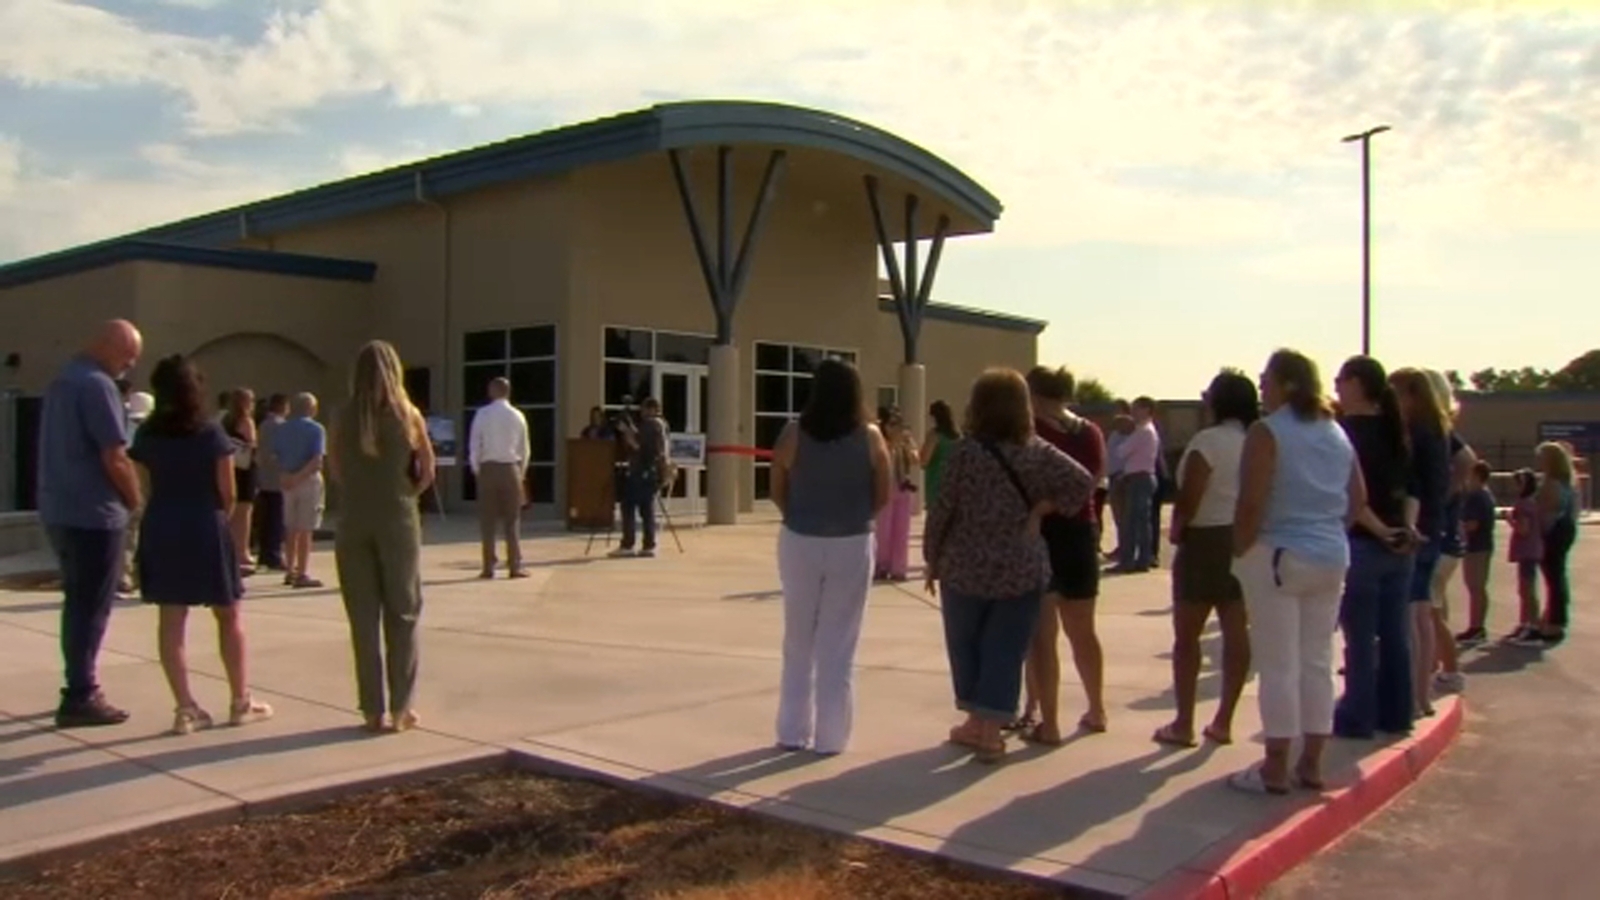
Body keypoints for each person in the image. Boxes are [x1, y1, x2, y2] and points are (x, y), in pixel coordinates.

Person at [924, 369, 1095, 764]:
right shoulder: (1036, 451)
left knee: (966, 646)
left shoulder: (963, 453)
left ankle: (977, 722)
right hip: (1021, 565)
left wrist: (932, 558)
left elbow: (942, 508)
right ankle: (989, 730)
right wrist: (1043, 508)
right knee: (1006, 648)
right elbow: (1083, 482)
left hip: (965, 565)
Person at [1229, 349, 1364, 794]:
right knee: (1317, 661)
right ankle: (1312, 762)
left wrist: (1240, 547)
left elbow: (1252, 500)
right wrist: (1328, 529)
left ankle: (1274, 765)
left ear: (1287, 384)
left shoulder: (1268, 431)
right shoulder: (1335, 431)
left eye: (1266, 379)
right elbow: (1358, 498)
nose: (1261, 386)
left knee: (1278, 664)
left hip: (1281, 553)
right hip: (1331, 554)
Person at [132, 356, 273, 734]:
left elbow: (143, 488)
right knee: (228, 614)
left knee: (171, 620)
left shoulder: (146, 436)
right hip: (205, 522)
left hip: (162, 524)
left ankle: (185, 707)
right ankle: (240, 700)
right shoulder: (210, 433)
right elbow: (228, 492)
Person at [769, 358, 891, 755]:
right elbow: (883, 493)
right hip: (852, 541)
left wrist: (797, 515)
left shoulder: (793, 433)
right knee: (838, 643)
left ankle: (791, 731)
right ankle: (831, 737)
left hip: (800, 539)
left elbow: (776, 487)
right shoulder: (871, 437)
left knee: (797, 638)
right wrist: (855, 517)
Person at [38, 319, 144, 727]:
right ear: (108, 344)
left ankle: (79, 682)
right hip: (94, 514)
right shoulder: (98, 386)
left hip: (59, 508)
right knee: (92, 607)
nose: (130, 364)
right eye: (128, 355)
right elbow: (115, 456)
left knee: (78, 603)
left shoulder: (63, 380)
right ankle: (81, 693)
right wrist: (135, 500)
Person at [330, 340, 435, 732]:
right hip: (397, 516)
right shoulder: (408, 415)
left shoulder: (340, 416)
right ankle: (401, 706)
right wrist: (406, 493)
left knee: (362, 617)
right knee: (403, 612)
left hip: (353, 518)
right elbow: (427, 471)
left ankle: (371, 709)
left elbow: (336, 470)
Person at [1155, 369, 1258, 748]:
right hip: (1242, 536)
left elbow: (1191, 494)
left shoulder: (1207, 442)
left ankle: (1183, 722)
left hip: (1204, 538)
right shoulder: (1255, 442)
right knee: (1235, 631)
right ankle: (1223, 720)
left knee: (1187, 637)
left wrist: (1178, 527)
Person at [1018, 365, 1109, 743]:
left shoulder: (1032, 433)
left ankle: (1046, 718)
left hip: (1043, 533)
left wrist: (1043, 507)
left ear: (1034, 395)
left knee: (1042, 636)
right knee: (1083, 630)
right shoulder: (1090, 431)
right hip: (1081, 531)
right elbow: (1096, 477)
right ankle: (1096, 707)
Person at [1331, 356, 1416, 739]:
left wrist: (1381, 531)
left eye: (1341, 380)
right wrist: (1404, 528)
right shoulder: (1396, 432)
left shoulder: (1344, 434)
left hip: (1364, 543)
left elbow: (1352, 497)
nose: (1336, 387)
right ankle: (1398, 713)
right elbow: (1411, 487)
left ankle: (1358, 715)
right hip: (1401, 544)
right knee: (1395, 636)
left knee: (1361, 640)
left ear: (1357, 384)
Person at [1388, 368, 1452, 718]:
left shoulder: (1414, 435)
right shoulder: (1440, 432)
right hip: (1434, 527)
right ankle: (1423, 694)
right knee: (1423, 614)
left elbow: (1412, 485)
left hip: (1416, 531)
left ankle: (1413, 695)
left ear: (1410, 395)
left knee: (1411, 617)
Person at [1514, 442, 1579, 646]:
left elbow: (1541, 511)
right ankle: (1551, 618)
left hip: (1554, 532)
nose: (1538, 462)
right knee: (1557, 576)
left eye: (1541, 457)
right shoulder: (1567, 482)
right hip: (1564, 529)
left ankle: (1555, 623)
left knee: (1554, 577)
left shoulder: (1551, 483)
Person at [467, 376, 530, 579]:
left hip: (488, 468)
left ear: (491, 391)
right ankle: (514, 565)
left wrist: (477, 469)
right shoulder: (518, 416)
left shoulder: (482, 414)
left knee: (488, 520)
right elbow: (524, 448)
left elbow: (474, 444)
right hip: (511, 468)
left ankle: (488, 566)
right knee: (512, 520)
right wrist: (520, 473)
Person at [273, 392, 327, 589]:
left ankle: (290, 570)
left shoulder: (281, 429)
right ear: (312, 408)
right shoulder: (316, 429)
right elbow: (317, 459)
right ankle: (302, 572)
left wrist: (285, 475)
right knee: (306, 528)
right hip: (308, 480)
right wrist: (299, 477)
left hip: (287, 480)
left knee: (291, 527)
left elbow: (274, 456)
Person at [612, 397, 668, 557]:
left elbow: (639, 446)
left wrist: (627, 432)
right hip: (651, 471)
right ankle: (649, 544)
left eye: (644, 409)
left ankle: (628, 544)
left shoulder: (650, 425)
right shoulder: (661, 425)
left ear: (651, 409)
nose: (642, 412)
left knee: (628, 506)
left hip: (641, 471)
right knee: (646, 508)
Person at [1109, 396, 1159, 574]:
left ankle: (1128, 560)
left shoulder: (1142, 431)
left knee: (1131, 522)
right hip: (1140, 478)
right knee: (1141, 522)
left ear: (1147, 410)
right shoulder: (1147, 430)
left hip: (1139, 479)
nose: (1133, 412)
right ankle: (1142, 559)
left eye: (1137, 408)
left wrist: (1124, 432)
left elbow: (1121, 451)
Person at [1454, 460, 1497, 647]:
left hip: (1476, 547)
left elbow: (1472, 524)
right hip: (1483, 546)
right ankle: (1477, 625)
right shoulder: (1485, 495)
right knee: (1478, 587)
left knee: (1475, 587)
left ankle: (1476, 626)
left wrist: (1458, 528)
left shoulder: (1477, 497)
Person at [873, 406, 918, 582]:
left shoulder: (905, 441)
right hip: (885, 488)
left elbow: (916, 460)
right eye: (892, 424)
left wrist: (906, 445)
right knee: (883, 530)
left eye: (899, 423)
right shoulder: (880, 441)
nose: (895, 428)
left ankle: (898, 567)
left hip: (903, 487)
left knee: (901, 530)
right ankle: (881, 565)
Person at [221, 387, 259, 577]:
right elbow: (252, 444)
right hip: (245, 469)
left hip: (231, 468)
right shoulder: (246, 421)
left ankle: (232, 550)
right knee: (244, 513)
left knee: (233, 513)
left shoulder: (226, 420)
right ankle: (242, 551)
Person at [120, 386, 155, 594]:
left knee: (134, 532)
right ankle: (126, 576)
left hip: (142, 484)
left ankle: (132, 575)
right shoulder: (142, 432)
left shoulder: (125, 426)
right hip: (136, 483)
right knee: (131, 531)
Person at [1504, 469, 1544, 642]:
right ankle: (1525, 623)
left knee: (1527, 589)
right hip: (1532, 549)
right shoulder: (1533, 502)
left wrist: (1510, 520)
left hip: (1527, 550)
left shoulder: (1523, 505)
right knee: (1525, 589)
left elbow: (1523, 529)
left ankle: (1532, 625)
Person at [253, 394, 290, 571]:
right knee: (277, 520)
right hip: (277, 478)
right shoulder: (281, 426)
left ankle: (265, 554)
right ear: (282, 406)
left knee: (266, 520)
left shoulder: (263, 424)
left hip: (264, 477)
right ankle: (274, 555)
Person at [920, 400, 958, 512]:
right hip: (953, 482)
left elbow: (924, 460)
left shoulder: (934, 435)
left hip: (936, 481)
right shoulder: (956, 437)